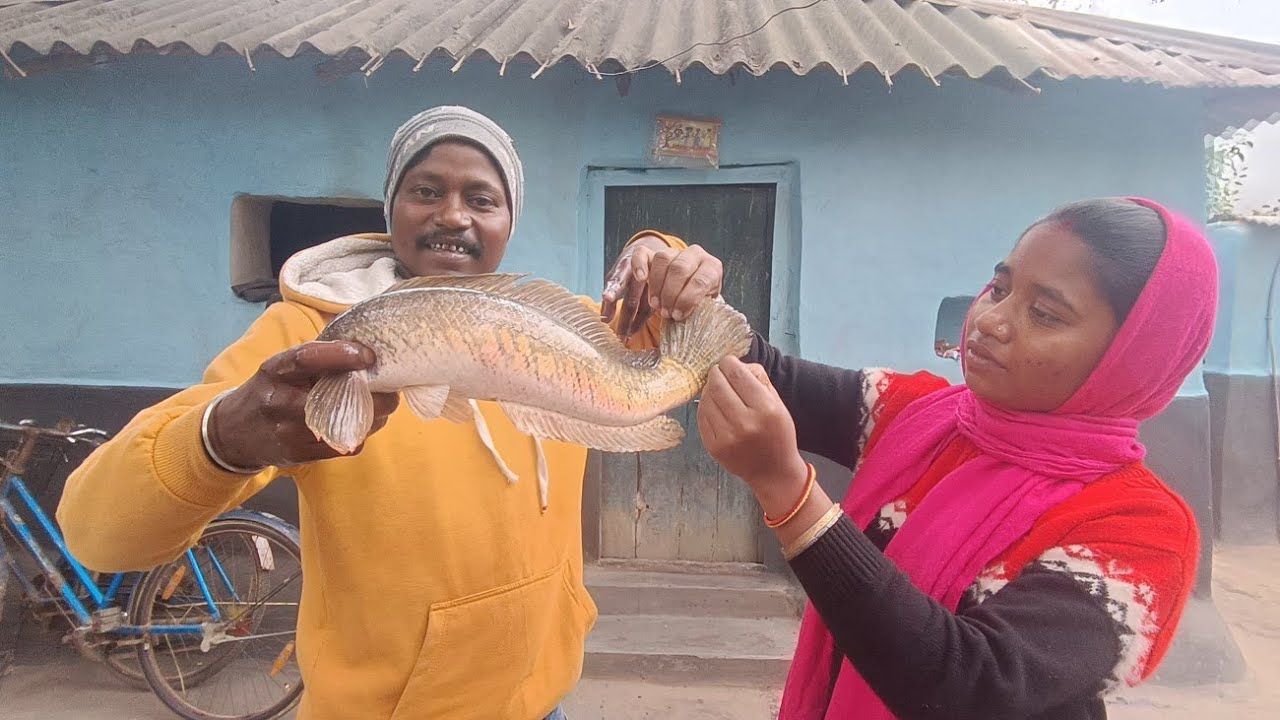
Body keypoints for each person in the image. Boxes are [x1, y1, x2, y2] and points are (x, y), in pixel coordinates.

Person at [56, 105, 722, 720]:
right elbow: (98, 535)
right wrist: (220, 439)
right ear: (391, 206)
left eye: (482, 199)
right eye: (426, 191)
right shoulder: (310, 338)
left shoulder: (554, 330)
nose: (454, 215)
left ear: (508, 222)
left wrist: (657, 248)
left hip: (544, 704)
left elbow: (677, 317)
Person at [700, 197, 1216, 719]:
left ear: (1132, 355)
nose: (992, 320)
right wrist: (673, 281)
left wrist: (788, 492)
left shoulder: (1138, 530)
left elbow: (970, 683)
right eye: (999, 287)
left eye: (1044, 313)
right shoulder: (920, 416)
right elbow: (762, 372)